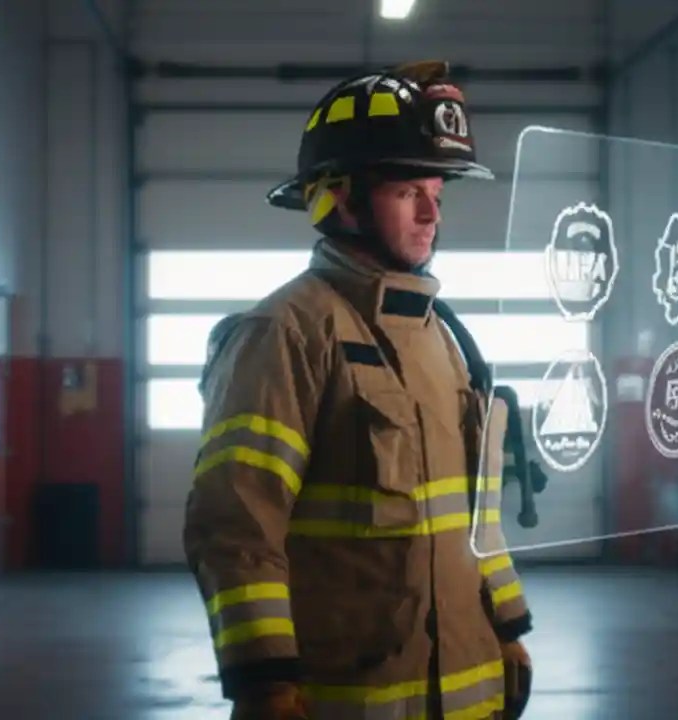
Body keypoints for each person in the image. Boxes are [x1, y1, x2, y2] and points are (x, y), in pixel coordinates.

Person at [183, 60, 534, 720]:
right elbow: (236, 526)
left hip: (466, 696)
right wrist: (266, 682)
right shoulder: (285, 333)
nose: (433, 211)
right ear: (340, 197)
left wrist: (508, 631)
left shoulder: (441, 337)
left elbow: (475, 520)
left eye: (439, 191)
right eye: (408, 191)